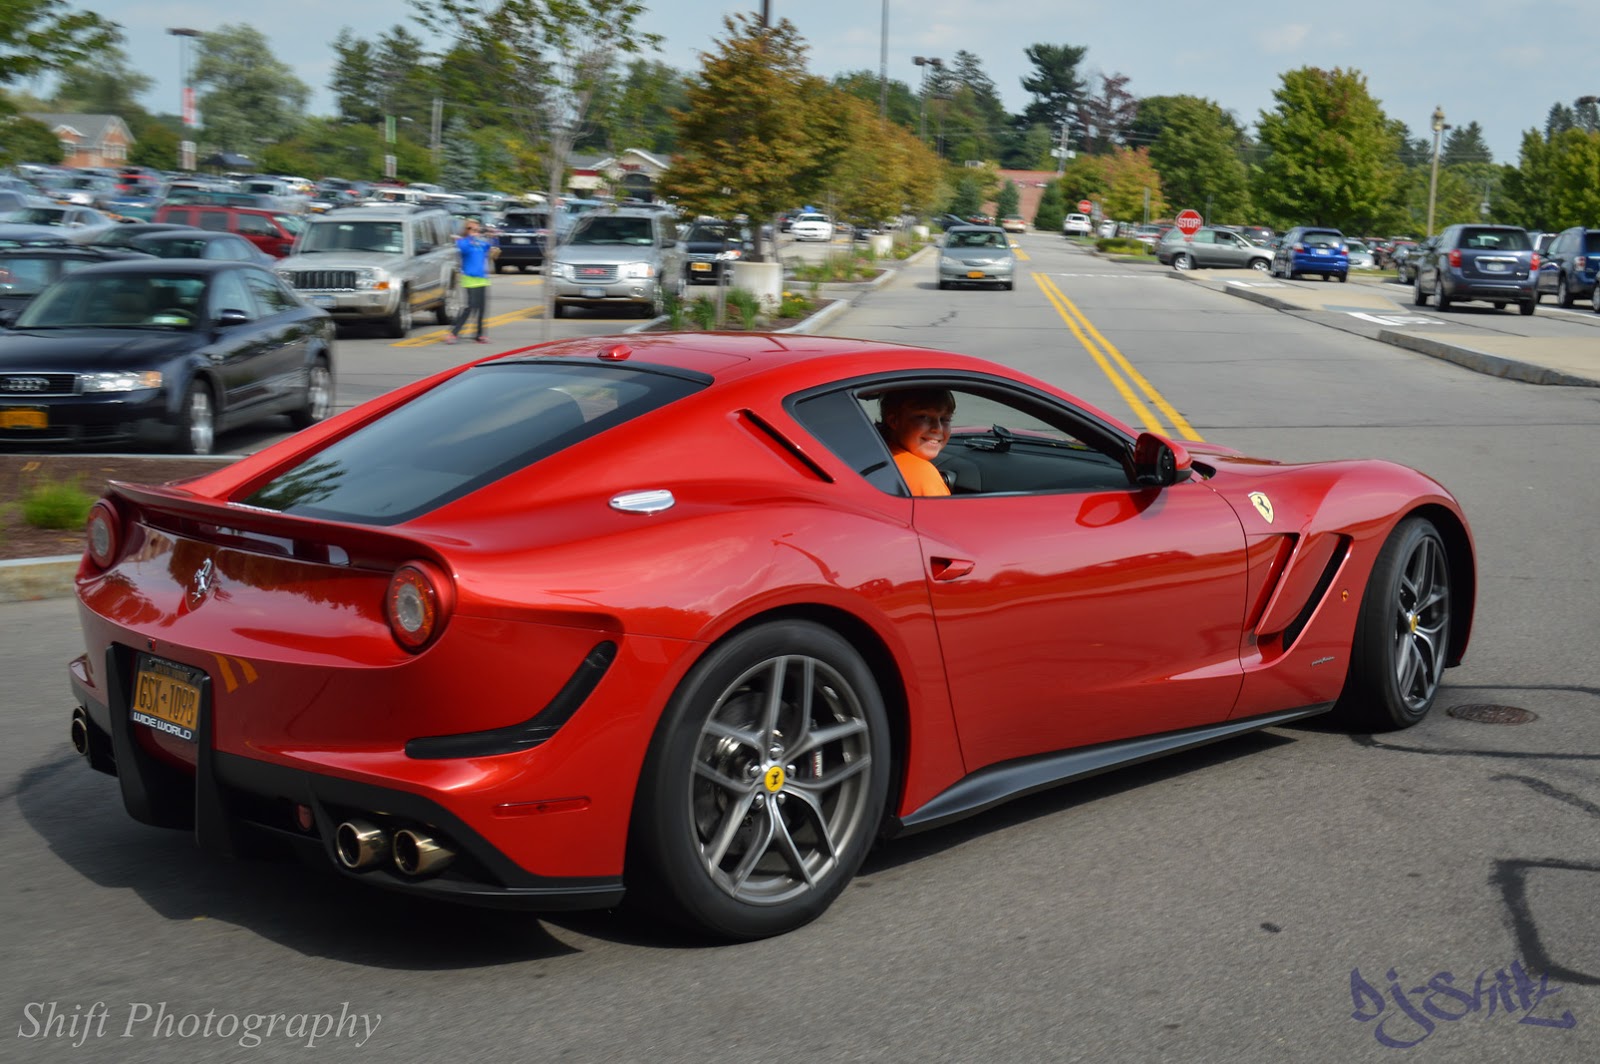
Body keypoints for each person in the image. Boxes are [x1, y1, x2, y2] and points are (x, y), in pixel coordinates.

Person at [878, 388, 955, 497]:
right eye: (923, 417)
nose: (938, 428)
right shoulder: (922, 474)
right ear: (893, 421)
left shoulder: (875, 452)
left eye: (945, 419)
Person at [446, 219, 498, 344]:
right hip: (469, 278)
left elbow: (492, 246)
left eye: (476, 229)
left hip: (482, 278)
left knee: (481, 308)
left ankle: (479, 335)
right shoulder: (463, 242)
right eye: (471, 229)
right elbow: (463, 249)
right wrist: (470, 238)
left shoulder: (481, 243)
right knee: (470, 307)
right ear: (466, 230)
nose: (474, 231)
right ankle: (453, 333)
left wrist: (493, 236)